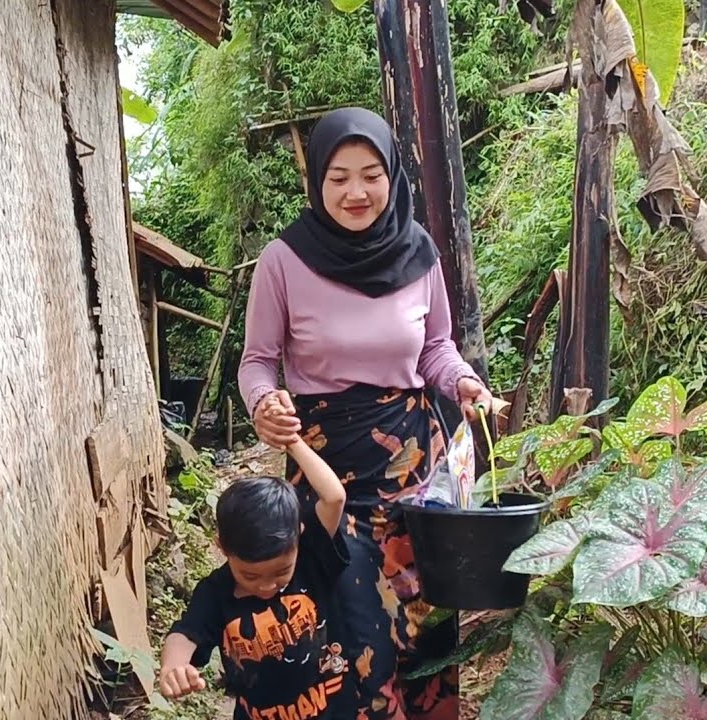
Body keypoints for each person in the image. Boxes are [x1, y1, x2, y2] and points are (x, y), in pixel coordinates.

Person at [237, 106, 495, 720]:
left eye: (371, 174)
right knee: (352, 641)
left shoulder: (420, 252)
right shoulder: (284, 260)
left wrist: (462, 382)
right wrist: (264, 403)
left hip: (418, 483)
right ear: (317, 181)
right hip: (328, 482)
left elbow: (435, 347)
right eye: (339, 177)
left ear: (392, 176)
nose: (356, 192)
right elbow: (257, 361)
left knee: (425, 635)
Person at [158, 434, 352, 719]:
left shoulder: (310, 558)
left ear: (299, 536)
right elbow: (185, 634)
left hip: (334, 711)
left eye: (281, 572)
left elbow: (334, 497)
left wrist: (292, 441)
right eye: (249, 575)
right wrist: (173, 666)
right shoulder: (216, 594)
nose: (266, 585)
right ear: (221, 547)